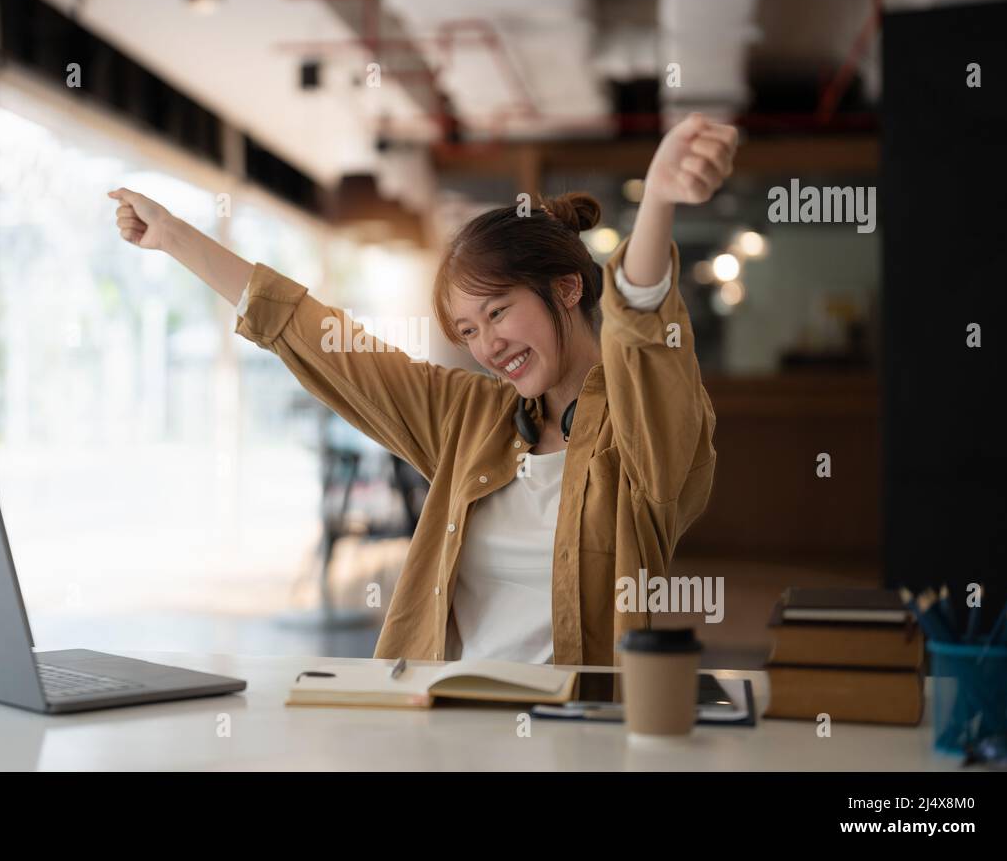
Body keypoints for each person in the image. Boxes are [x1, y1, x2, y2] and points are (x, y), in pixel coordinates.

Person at [108, 111, 737, 666]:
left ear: (568, 290)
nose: (486, 346)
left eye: (497, 312)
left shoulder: (643, 435)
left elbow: (646, 343)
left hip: (578, 737)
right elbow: (318, 338)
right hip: (445, 726)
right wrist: (174, 237)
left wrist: (657, 199)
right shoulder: (469, 416)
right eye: (466, 330)